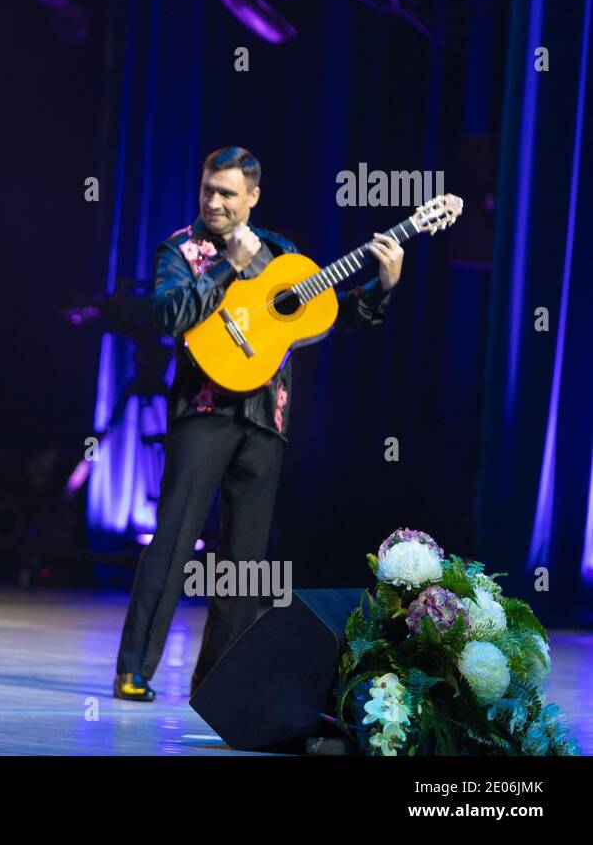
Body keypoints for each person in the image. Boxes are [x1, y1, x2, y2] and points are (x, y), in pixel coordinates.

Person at [113, 146, 404, 701]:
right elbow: (169, 314)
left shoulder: (284, 254)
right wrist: (229, 264)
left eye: (227, 192)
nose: (215, 201)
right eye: (208, 190)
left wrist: (380, 289)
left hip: (266, 418)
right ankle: (134, 669)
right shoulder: (182, 248)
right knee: (172, 542)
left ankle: (219, 684)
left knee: (244, 560)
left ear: (253, 197)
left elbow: (327, 316)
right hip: (202, 411)